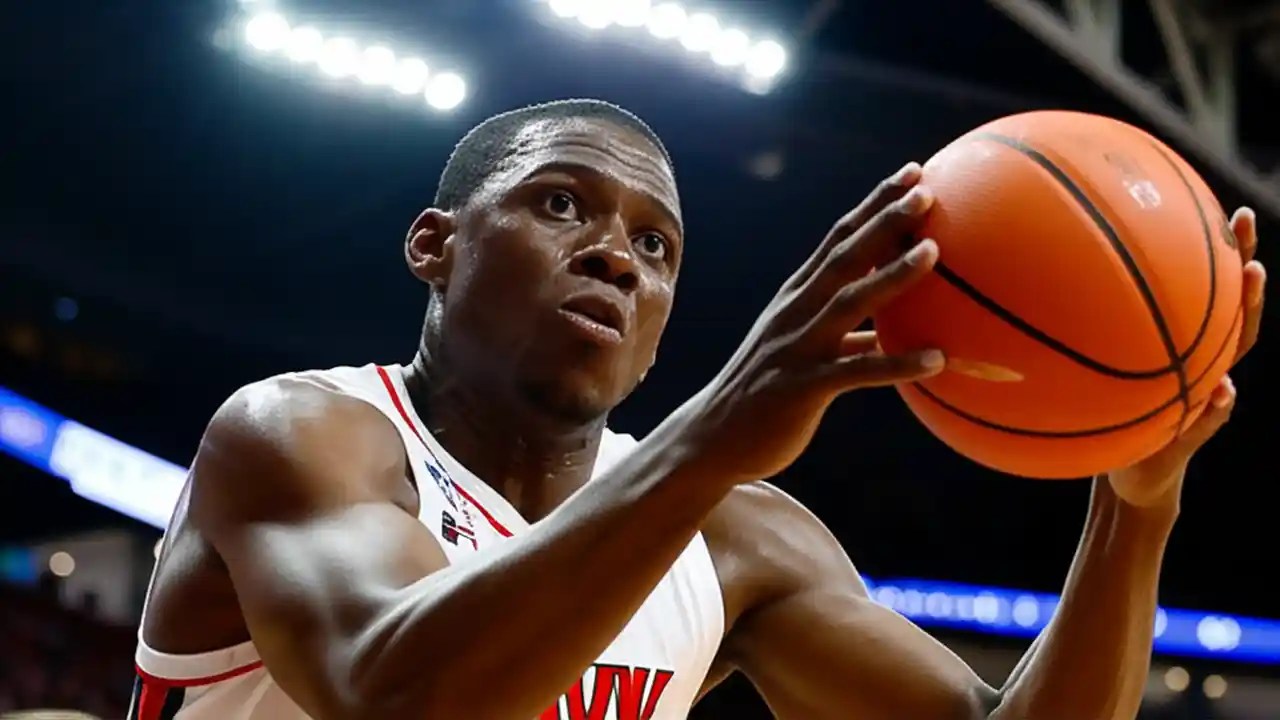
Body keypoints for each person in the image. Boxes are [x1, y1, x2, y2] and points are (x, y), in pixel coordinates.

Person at [128, 99, 1267, 720]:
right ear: (436, 244)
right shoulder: (302, 432)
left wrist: (1134, 505)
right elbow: (396, 698)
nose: (614, 257)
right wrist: (712, 436)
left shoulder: (736, 536)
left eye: (654, 245)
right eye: (561, 203)